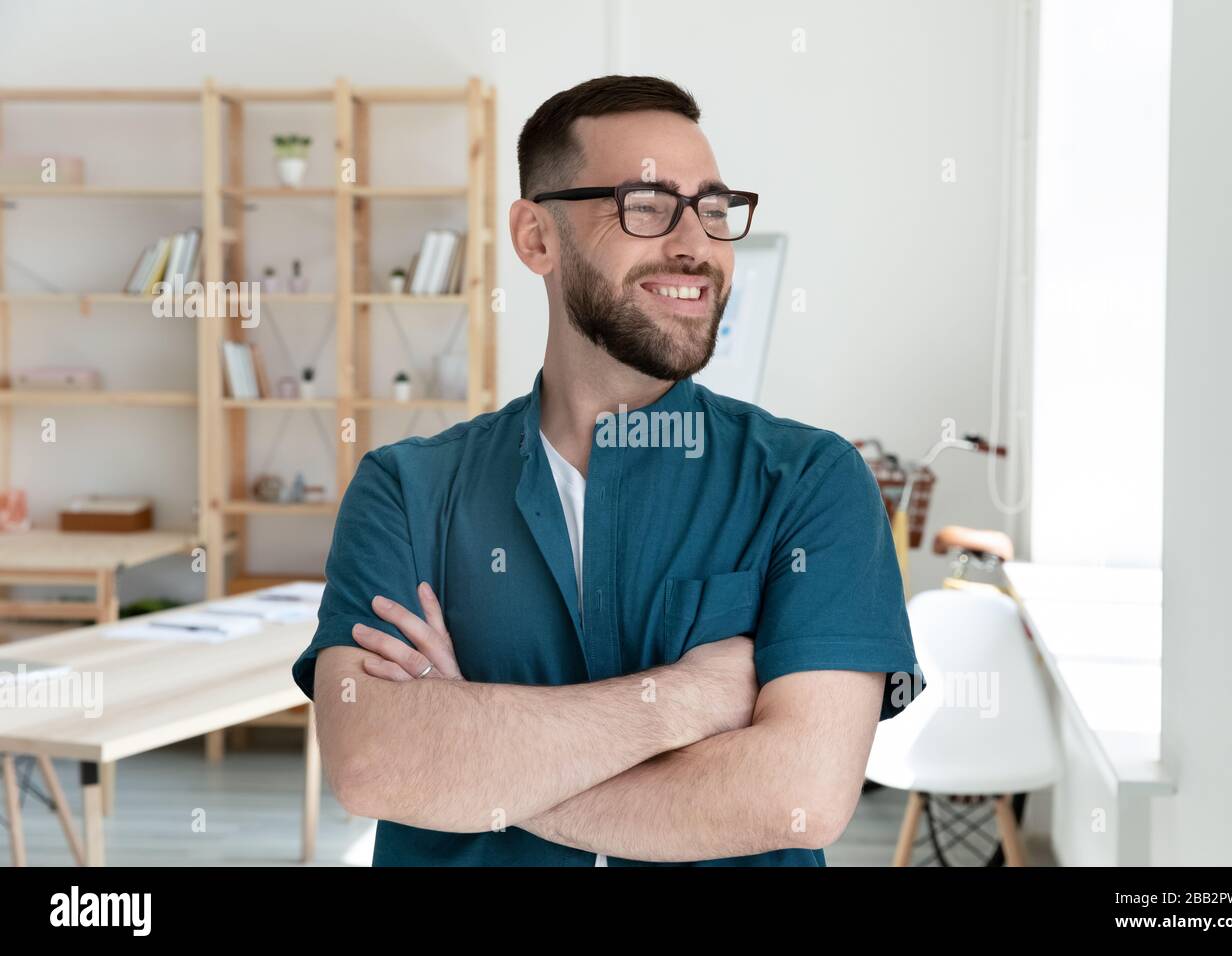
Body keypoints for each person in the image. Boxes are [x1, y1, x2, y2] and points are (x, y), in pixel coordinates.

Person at [292, 74, 924, 866]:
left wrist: (473, 752)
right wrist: (689, 702)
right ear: (536, 238)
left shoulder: (812, 483)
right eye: (648, 206)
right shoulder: (406, 490)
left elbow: (799, 797)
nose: (695, 244)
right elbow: (374, 763)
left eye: (715, 209)